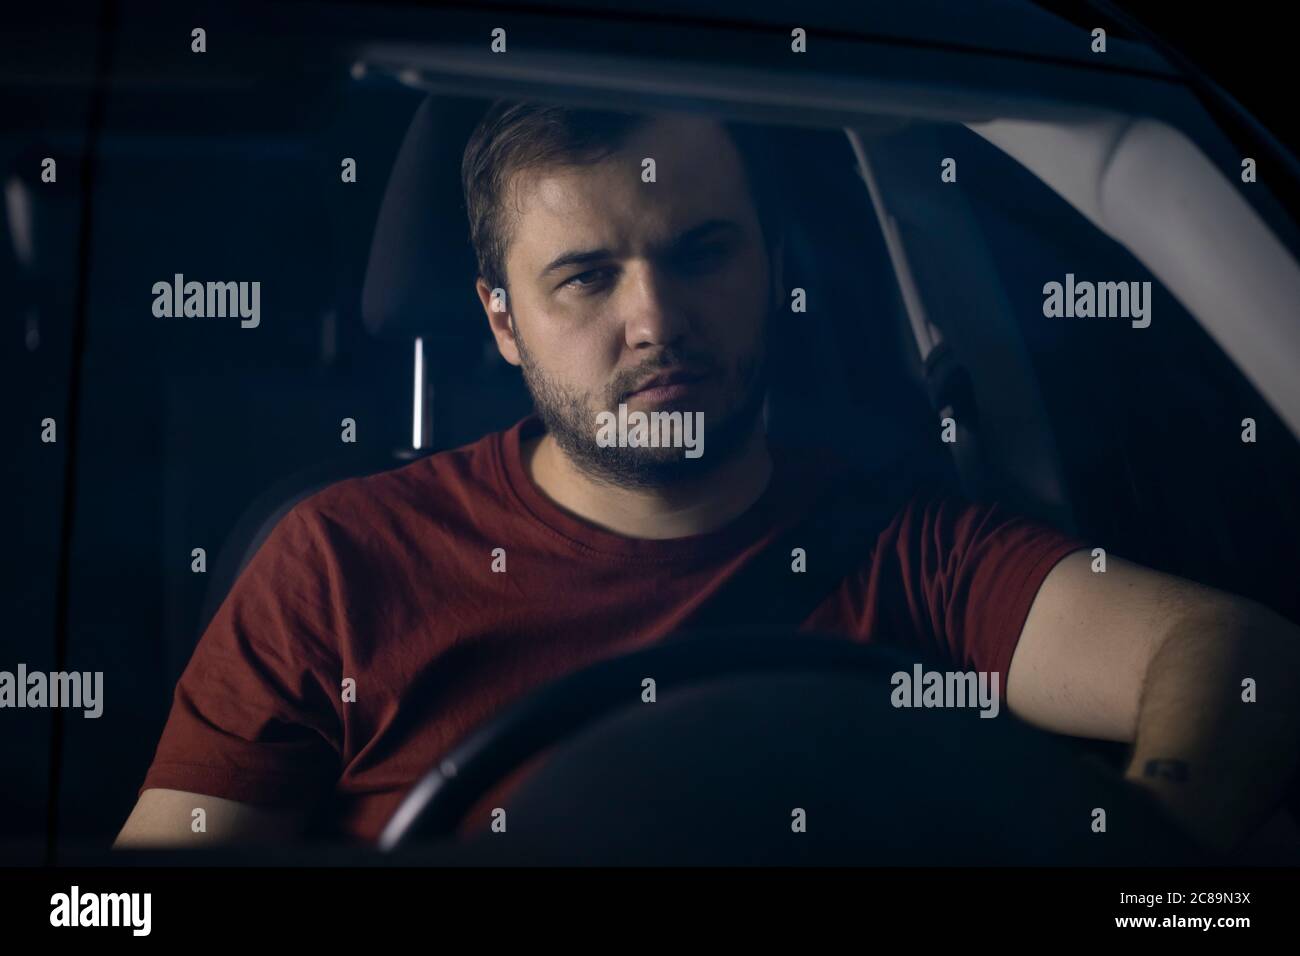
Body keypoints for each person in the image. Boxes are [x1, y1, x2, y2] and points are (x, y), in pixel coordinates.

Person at [115, 101, 1300, 856]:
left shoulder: (906, 542)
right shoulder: (339, 562)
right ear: (502, 321)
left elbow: (1232, 652)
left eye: (700, 252)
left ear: (766, 267)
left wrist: (1148, 867)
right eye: (584, 276)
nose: (656, 319)